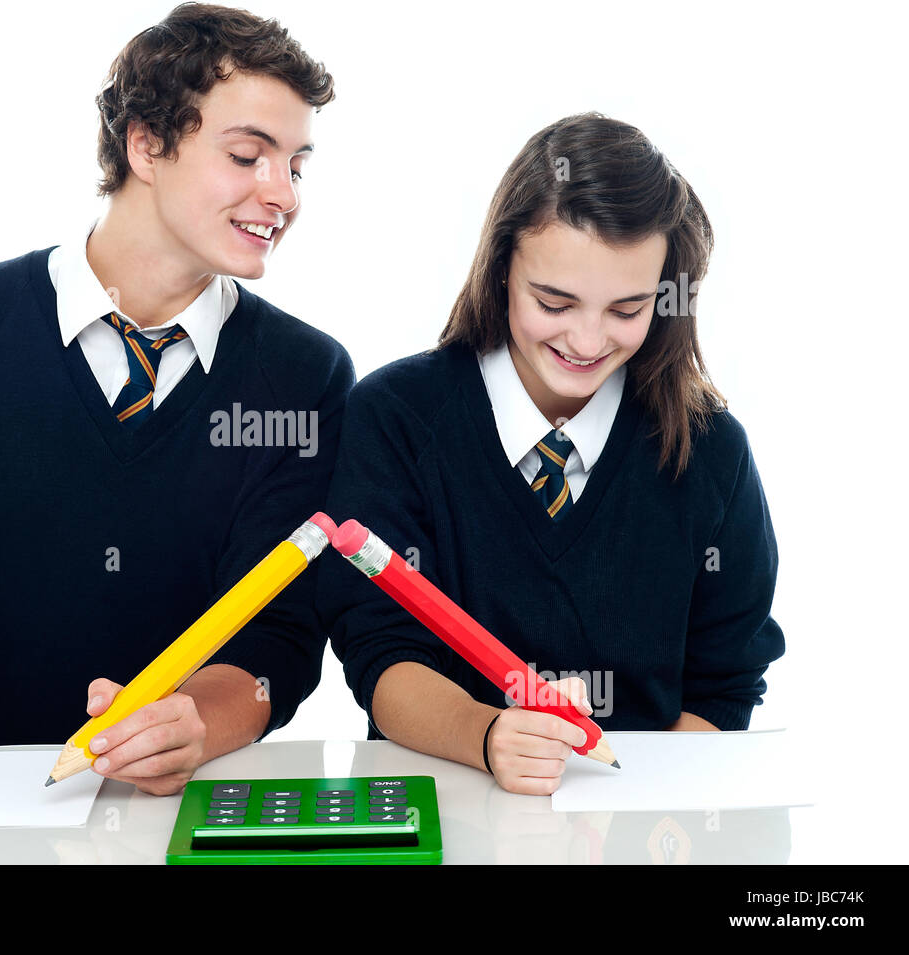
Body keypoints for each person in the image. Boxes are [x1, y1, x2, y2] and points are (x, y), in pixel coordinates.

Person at [0, 3, 354, 795]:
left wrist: (194, 725)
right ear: (145, 143)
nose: (281, 193)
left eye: (297, 163)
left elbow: (278, 632)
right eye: (249, 154)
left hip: (189, 805)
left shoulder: (305, 376)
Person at [316, 113, 784, 796]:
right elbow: (381, 653)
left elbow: (725, 679)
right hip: (445, 805)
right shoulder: (397, 417)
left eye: (627, 309)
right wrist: (487, 735)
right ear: (503, 267)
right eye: (555, 301)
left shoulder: (711, 450)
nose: (588, 341)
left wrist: (643, 816)